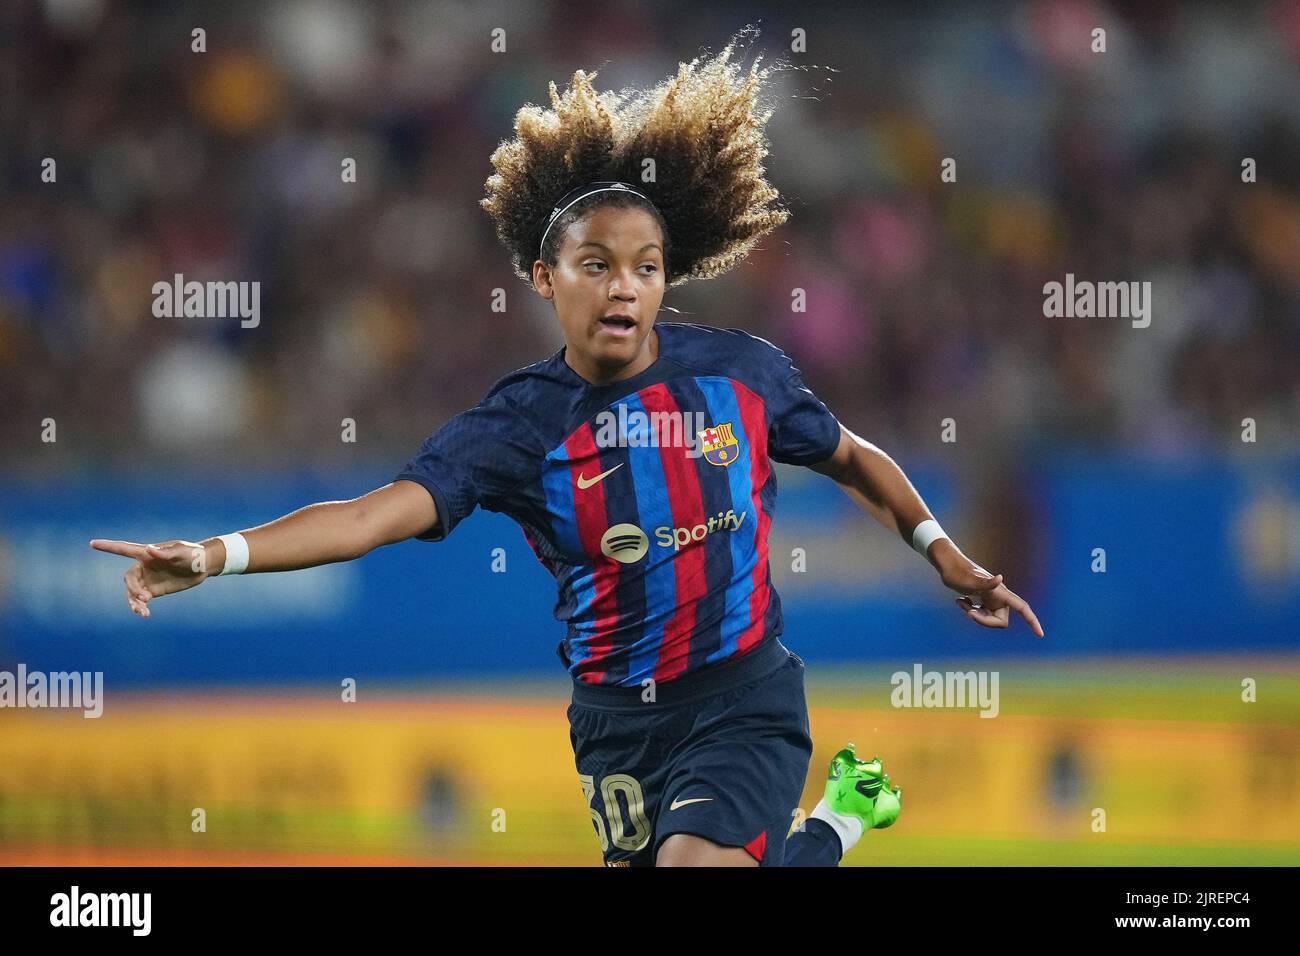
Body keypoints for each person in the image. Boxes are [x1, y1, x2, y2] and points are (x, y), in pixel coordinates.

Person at [91, 30, 1043, 867]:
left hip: (744, 697)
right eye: (596, 265)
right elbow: (369, 518)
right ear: (545, 277)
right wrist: (213, 555)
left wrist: (943, 554)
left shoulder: (740, 374)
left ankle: (828, 817)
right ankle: (840, 821)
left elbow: (850, 456)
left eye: (646, 268)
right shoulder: (520, 424)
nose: (623, 287)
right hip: (615, 726)